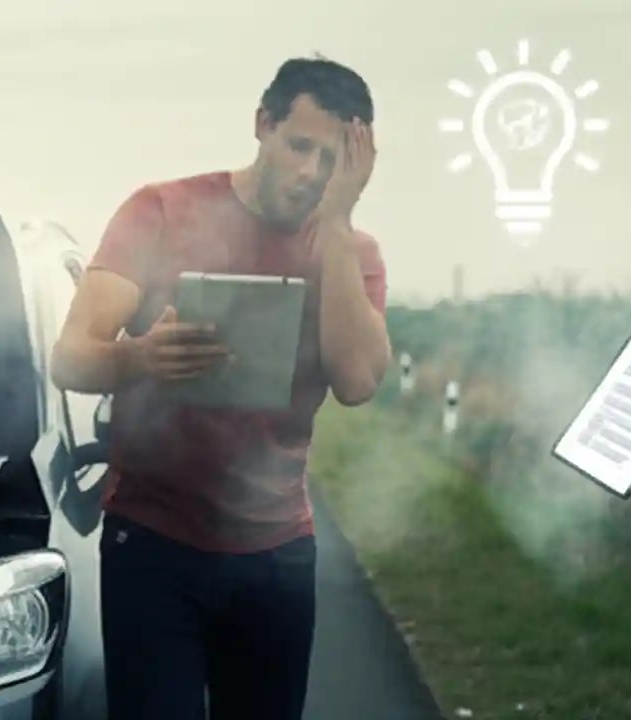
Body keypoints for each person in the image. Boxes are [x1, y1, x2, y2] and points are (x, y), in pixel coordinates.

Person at [49, 54, 391, 720]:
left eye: (330, 162)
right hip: (152, 541)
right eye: (299, 147)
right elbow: (71, 358)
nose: (309, 174)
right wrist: (142, 359)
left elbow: (357, 382)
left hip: (279, 553)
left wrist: (340, 229)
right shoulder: (161, 212)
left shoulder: (353, 252)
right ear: (262, 124)